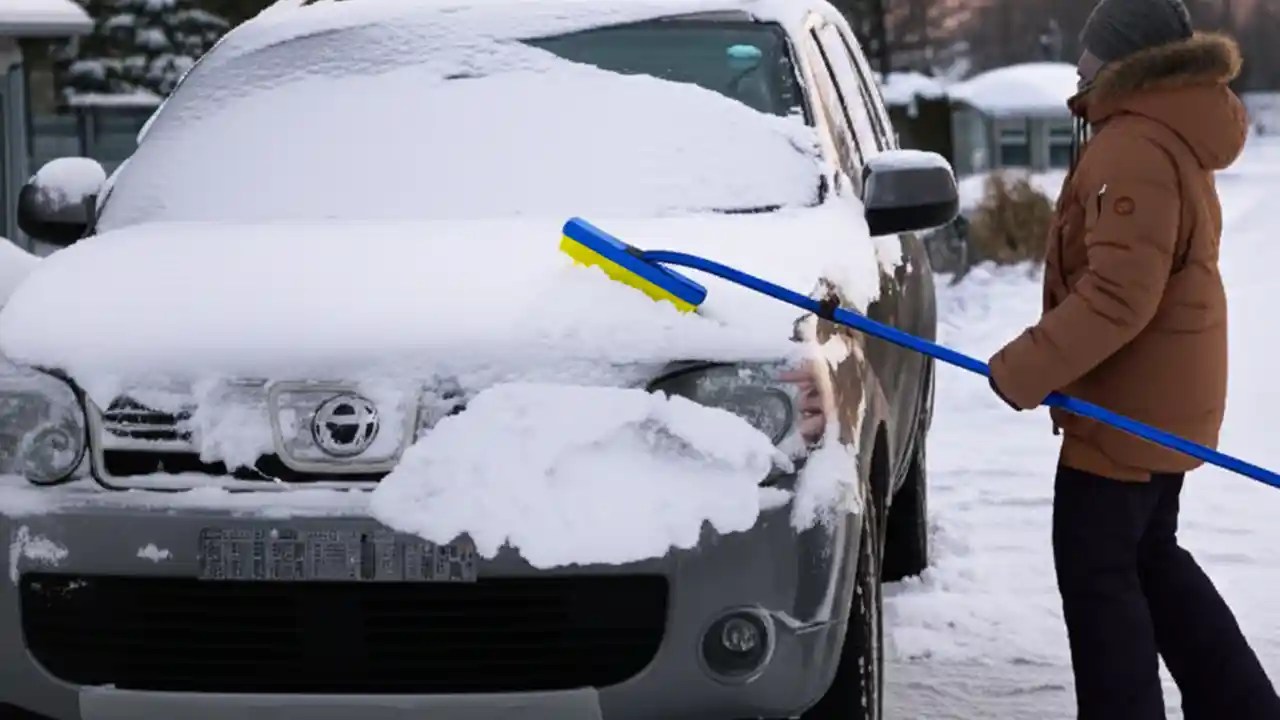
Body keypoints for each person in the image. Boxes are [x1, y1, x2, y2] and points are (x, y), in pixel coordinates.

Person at [985, 0, 1280, 718]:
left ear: (1124, 58)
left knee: (1100, 577)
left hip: (1126, 409)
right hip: (1153, 401)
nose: (1078, 65)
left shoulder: (1134, 145)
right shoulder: (1161, 131)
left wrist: (1020, 369)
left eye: (1091, 51)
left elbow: (1119, 296)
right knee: (1150, 560)